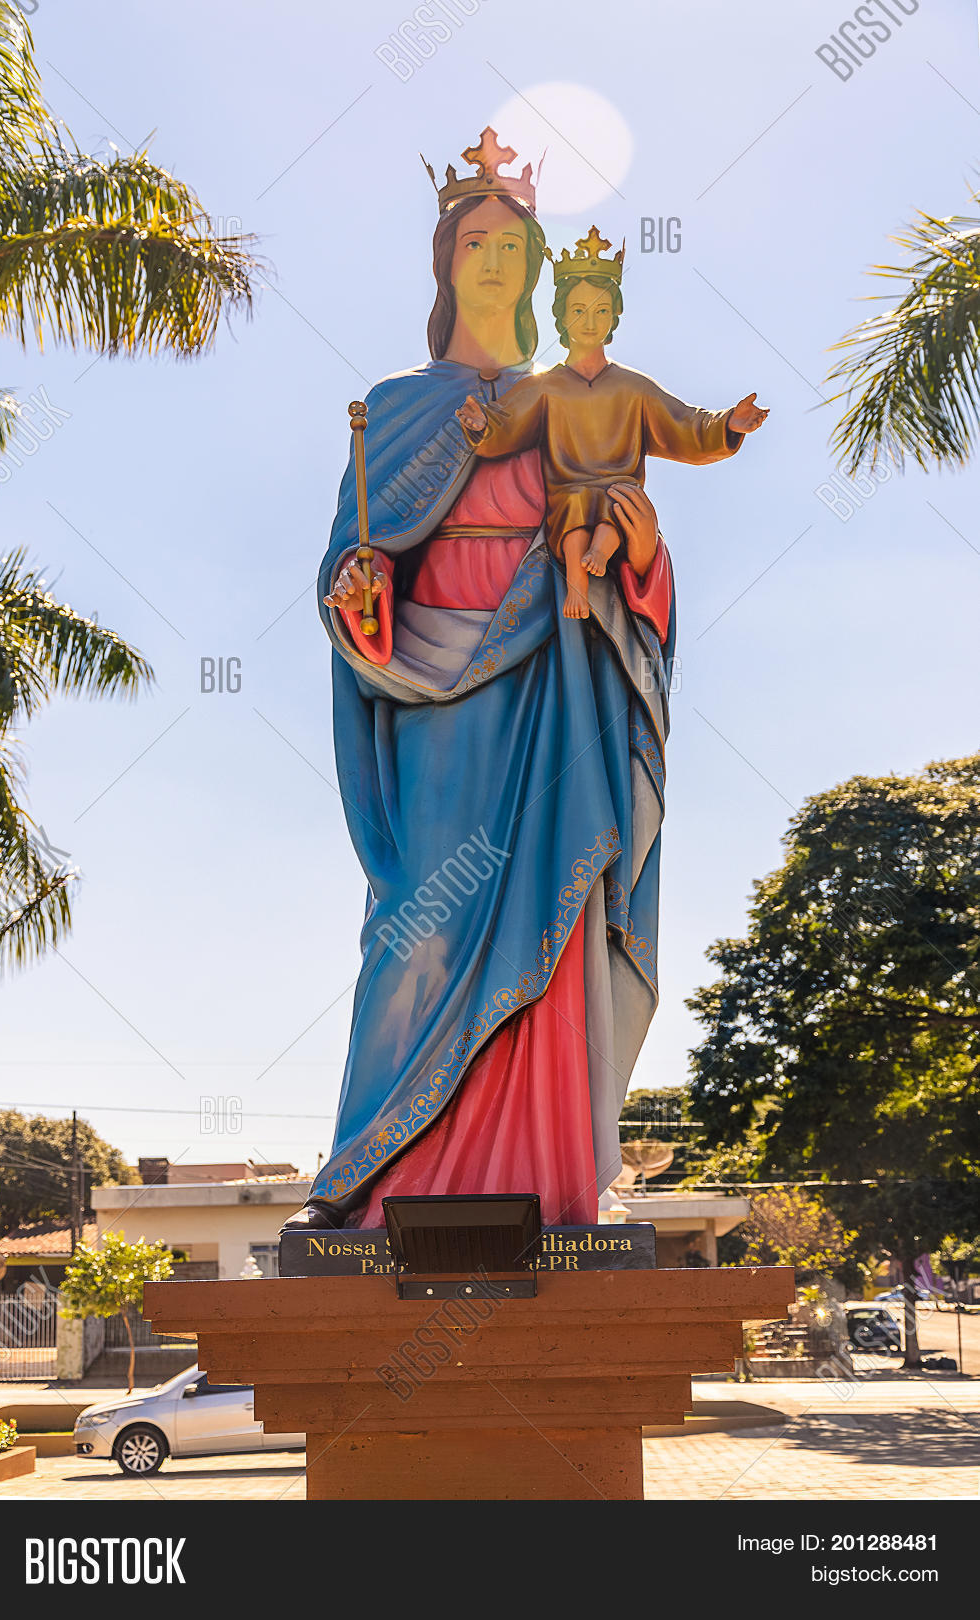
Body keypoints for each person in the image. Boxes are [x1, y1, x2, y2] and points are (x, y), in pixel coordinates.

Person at [280, 130, 757, 1236]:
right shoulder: (402, 403)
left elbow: (621, 532)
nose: (494, 260)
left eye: (513, 243)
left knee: (559, 915)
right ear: (444, 265)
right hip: (444, 703)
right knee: (419, 927)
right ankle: (369, 1180)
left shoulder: (566, 397)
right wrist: (359, 594)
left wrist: (641, 555)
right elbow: (354, 560)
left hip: (553, 680)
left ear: (541, 269)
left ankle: (549, 1187)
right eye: (475, 242)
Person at [457, 227, 768, 618]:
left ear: (614, 318)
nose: (590, 322)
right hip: (567, 491)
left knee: (616, 504)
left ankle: (598, 555)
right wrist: (480, 422)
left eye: (602, 310)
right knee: (573, 509)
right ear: (562, 317)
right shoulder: (546, 387)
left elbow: (685, 423)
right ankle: (578, 583)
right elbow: (506, 422)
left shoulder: (632, 388)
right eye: (579, 311)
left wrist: (728, 423)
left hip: (620, 494)